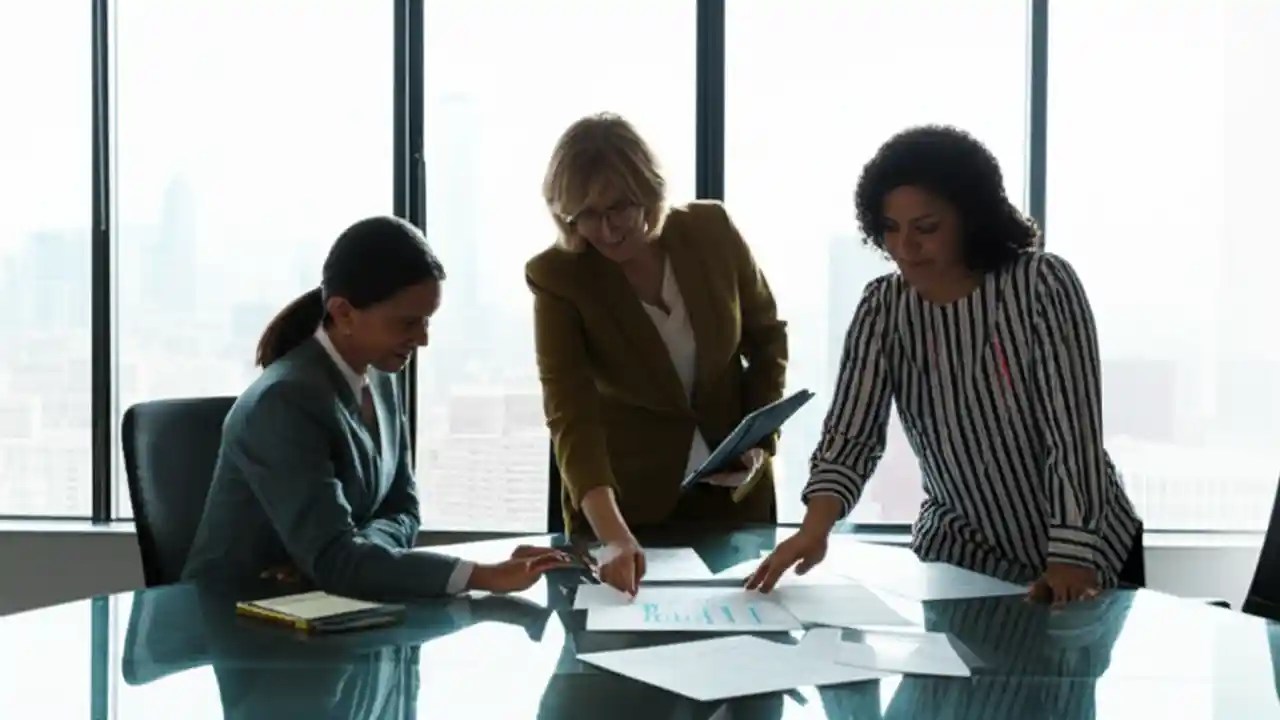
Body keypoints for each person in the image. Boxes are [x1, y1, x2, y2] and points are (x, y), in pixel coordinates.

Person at [747, 126, 1143, 606]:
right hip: (961, 550)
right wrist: (814, 530)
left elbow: (1072, 435)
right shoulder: (882, 307)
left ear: (971, 218)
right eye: (891, 229)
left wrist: (1071, 557)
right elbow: (850, 438)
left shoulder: (1042, 284)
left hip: (1080, 549)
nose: (904, 247)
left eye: (926, 228)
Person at [183, 216, 569, 599]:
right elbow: (338, 562)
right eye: (408, 323)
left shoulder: (382, 380)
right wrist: (481, 576)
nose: (422, 339)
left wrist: (351, 553)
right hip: (236, 624)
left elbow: (402, 510)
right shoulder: (283, 402)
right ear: (344, 313)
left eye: (427, 321)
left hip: (327, 609)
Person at [528, 113, 788, 594]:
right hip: (626, 510)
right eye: (584, 215)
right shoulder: (559, 276)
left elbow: (768, 339)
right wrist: (615, 538)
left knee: (744, 653)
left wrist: (756, 443)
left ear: (646, 189)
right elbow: (570, 414)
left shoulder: (711, 230)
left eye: (617, 208)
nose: (604, 230)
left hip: (734, 500)